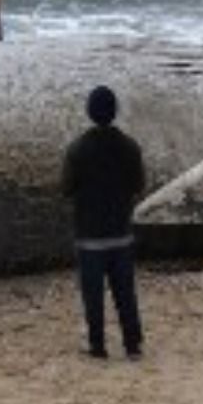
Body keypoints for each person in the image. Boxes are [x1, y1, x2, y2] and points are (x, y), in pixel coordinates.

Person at [61, 86, 146, 359]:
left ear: (89, 112)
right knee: (125, 294)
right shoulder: (130, 147)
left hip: (90, 236)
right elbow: (139, 184)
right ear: (115, 111)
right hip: (121, 232)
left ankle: (97, 345)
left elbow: (66, 188)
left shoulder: (77, 150)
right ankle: (132, 344)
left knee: (93, 296)